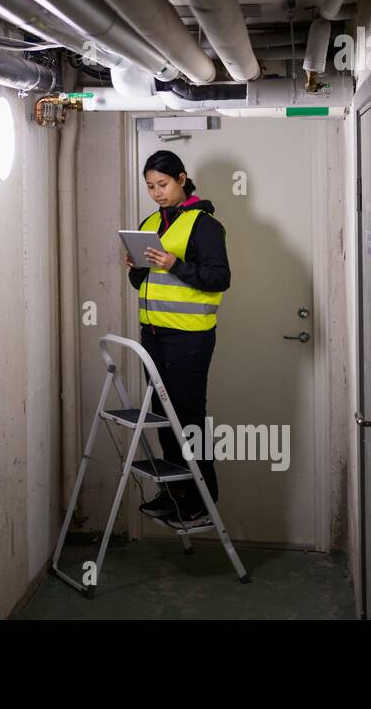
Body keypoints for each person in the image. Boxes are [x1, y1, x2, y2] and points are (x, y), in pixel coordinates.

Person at [122, 150, 231, 525]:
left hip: (189, 339)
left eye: (163, 184)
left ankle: (203, 500)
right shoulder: (151, 222)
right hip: (153, 335)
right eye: (150, 186)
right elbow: (142, 282)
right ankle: (175, 493)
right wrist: (136, 266)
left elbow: (219, 278)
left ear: (182, 179)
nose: (156, 193)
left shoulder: (204, 225)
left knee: (188, 418)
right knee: (163, 417)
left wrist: (175, 264)